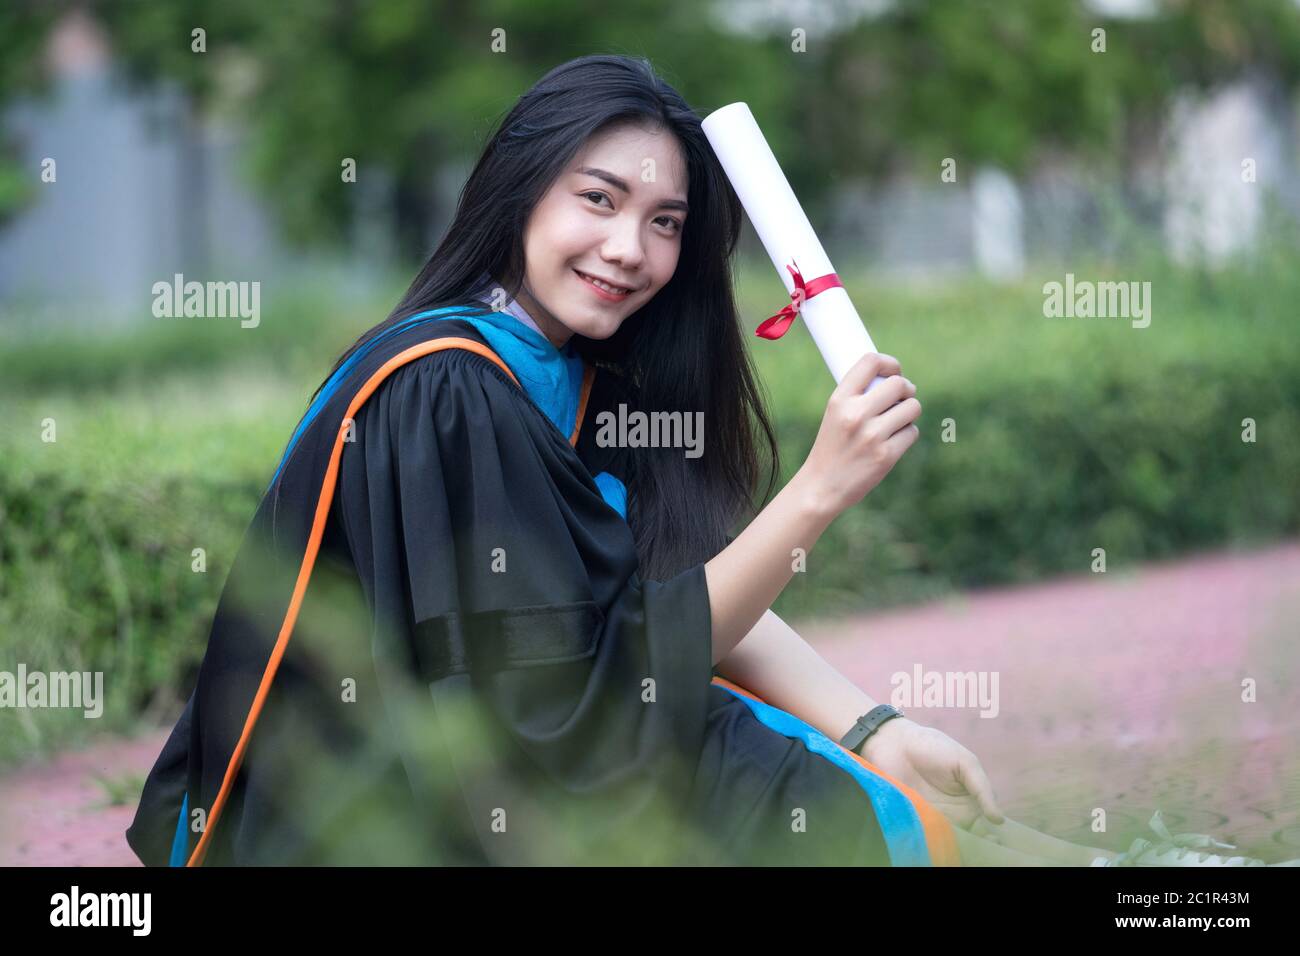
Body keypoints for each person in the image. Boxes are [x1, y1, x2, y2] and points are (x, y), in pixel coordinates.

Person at [126, 54, 1259, 868]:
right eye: (599, 200)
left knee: (812, 765)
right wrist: (816, 492)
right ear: (521, 188)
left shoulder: (557, 367)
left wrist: (872, 723)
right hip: (361, 812)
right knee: (759, 777)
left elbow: (652, 596)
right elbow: (564, 702)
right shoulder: (445, 388)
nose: (631, 248)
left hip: (507, 761)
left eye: (667, 221)